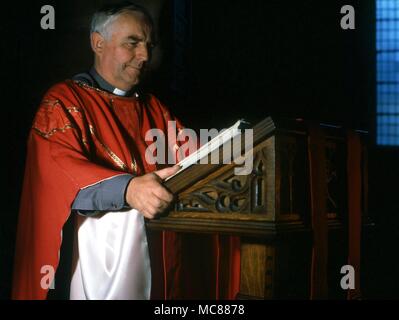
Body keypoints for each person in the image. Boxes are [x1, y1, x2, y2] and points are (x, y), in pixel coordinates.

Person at [12, 1, 240, 300]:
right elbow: (57, 174)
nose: (145, 56)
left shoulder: (154, 106)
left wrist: (230, 150)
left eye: (149, 44)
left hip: (160, 256)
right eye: (132, 43)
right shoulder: (63, 101)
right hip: (94, 259)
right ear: (98, 43)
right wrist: (129, 189)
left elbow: (193, 156)